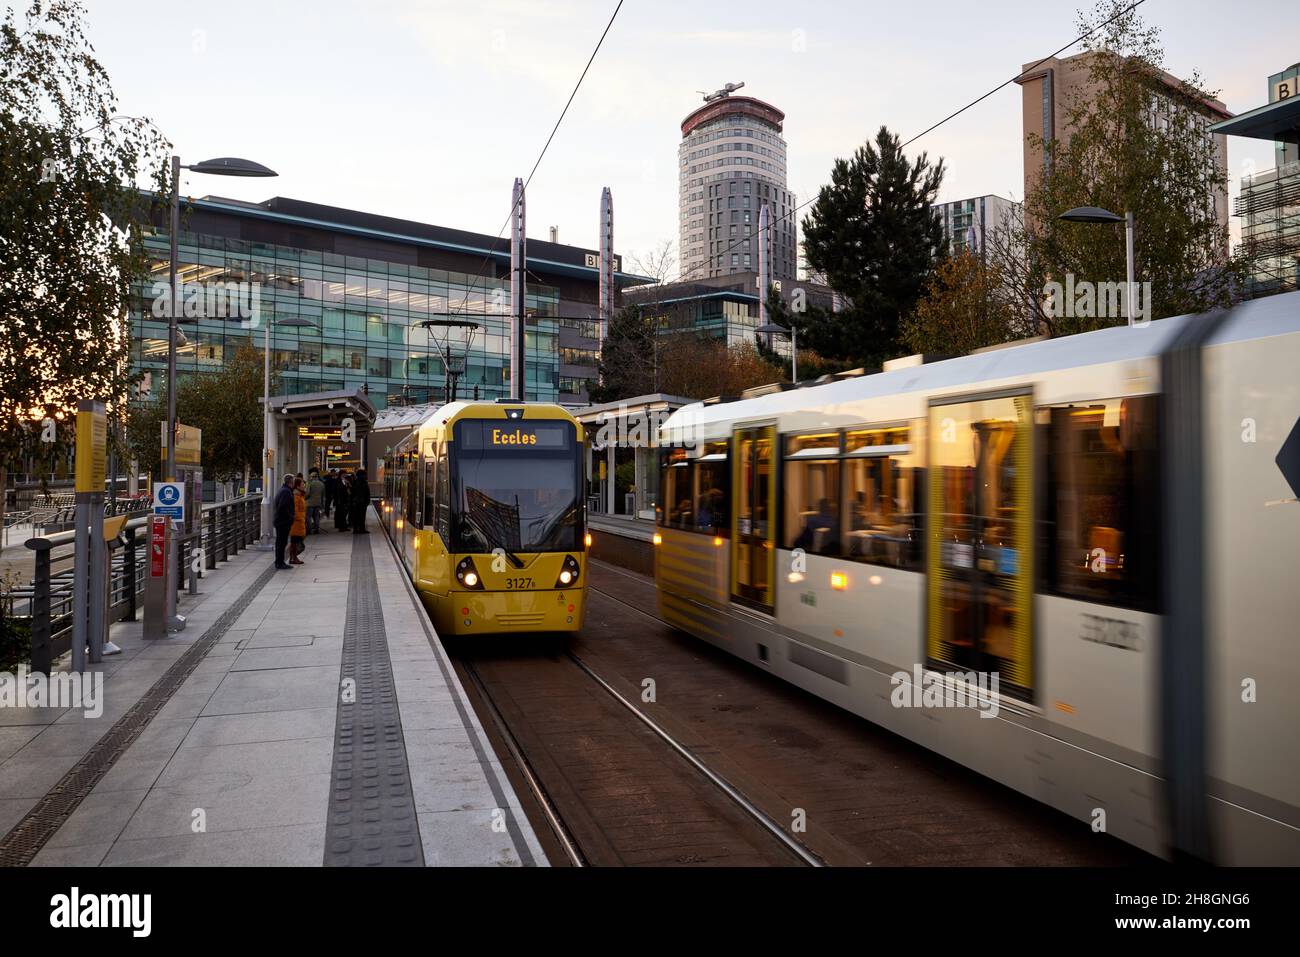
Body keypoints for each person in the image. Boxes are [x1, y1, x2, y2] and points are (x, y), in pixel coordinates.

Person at [272, 475, 295, 569]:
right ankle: (279, 562)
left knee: (280, 542)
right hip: (283, 522)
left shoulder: (283, 490)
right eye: (293, 481)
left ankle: (279, 561)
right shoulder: (286, 492)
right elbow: (282, 507)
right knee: (281, 543)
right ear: (290, 482)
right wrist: (291, 517)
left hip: (280, 521)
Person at [289, 476, 308, 564]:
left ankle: (293, 558)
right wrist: (300, 519)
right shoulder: (296, 496)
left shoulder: (300, 495)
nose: (304, 485)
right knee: (295, 541)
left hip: (299, 522)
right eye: (302, 484)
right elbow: (295, 511)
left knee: (296, 541)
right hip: (296, 523)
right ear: (297, 486)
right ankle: (293, 558)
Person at [351, 467, 369, 534]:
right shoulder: (364, 482)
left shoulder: (355, 482)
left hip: (356, 502)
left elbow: (352, 492)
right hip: (362, 502)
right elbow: (366, 493)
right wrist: (367, 501)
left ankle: (356, 529)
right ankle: (362, 529)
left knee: (356, 516)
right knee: (362, 516)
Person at [306, 469, 325, 534]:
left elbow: (307, 493)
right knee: (316, 517)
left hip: (309, 503)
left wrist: (304, 498)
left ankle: (309, 530)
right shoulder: (322, 484)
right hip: (318, 503)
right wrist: (322, 503)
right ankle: (316, 529)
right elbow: (323, 495)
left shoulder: (310, 483)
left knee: (308, 517)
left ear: (312, 477)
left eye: (310, 477)